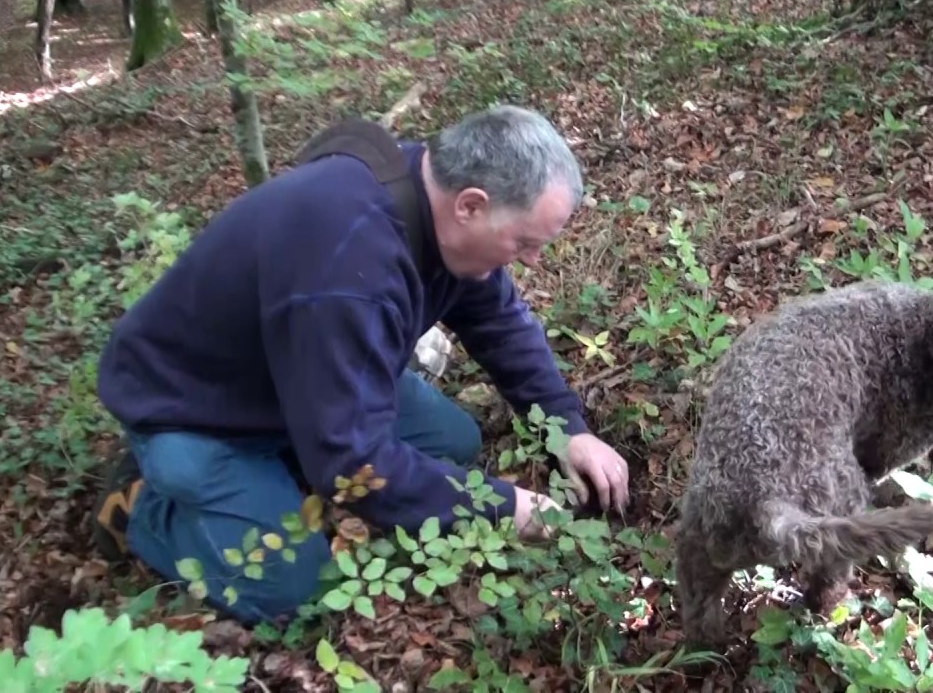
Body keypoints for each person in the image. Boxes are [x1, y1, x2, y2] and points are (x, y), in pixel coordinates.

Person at [90, 104, 631, 625]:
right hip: (196, 406)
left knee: (453, 442)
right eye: (525, 242)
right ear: (471, 204)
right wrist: (506, 507)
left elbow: (502, 323)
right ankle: (143, 508)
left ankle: (285, 462)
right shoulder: (348, 264)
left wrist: (567, 429)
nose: (533, 259)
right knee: (287, 587)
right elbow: (353, 461)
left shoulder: (433, 200)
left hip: (301, 374)